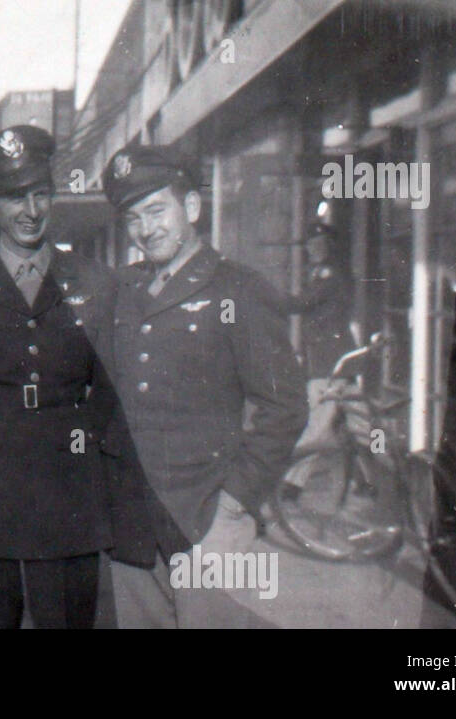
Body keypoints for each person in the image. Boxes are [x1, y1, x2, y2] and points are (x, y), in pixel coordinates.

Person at [101, 143, 307, 628]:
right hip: (133, 526)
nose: (146, 229)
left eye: (157, 210)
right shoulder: (121, 289)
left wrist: (236, 503)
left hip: (206, 521)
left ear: (191, 207)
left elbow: (285, 407)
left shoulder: (239, 288)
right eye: (133, 217)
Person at [0, 126, 115, 629]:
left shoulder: (93, 280)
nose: (31, 210)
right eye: (14, 197)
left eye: (40, 193)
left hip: (69, 502)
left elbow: (110, 398)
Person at [280, 223, 357, 449]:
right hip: (330, 361)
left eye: (318, 245)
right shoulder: (321, 274)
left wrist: (265, 297)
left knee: (317, 429)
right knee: (351, 424)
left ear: (329, 247)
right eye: (310, 245)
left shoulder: (329, 276)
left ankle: (294, 474)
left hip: (329, 361)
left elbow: (302, 302)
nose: (312, 250)